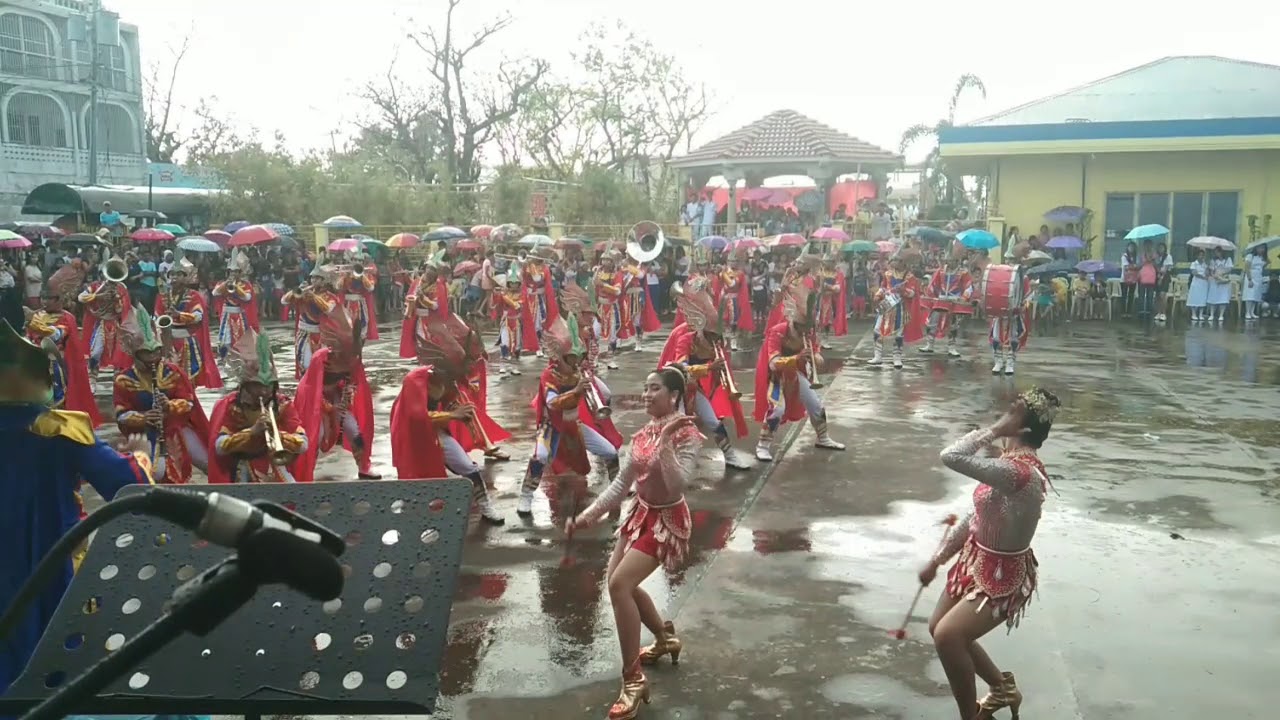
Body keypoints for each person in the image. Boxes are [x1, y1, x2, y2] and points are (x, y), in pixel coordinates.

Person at [0, 319, 152, 696]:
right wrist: (141, 456)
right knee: (56, 647)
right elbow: (125, 483)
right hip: (50, 555)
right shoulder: (61, 430)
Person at [564, 366, 703, 720]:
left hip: (667, 522)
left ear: (674, 395)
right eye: (645, 387)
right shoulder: (642, 435)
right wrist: (585, 518)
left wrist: (667, 441)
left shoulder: (688, 435)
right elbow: (620, 485)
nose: (646, 394)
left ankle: (633, 679)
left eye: (654, 388)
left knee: (619, 585)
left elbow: (676, 485)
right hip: (639, 516)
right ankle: (664, 638)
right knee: (619, 584)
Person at [919, 387, 1061, 720]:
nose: (1004, 414)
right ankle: (1002, 687)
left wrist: (995, 429)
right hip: (976, 559)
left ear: (1022, 427)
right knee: (939, 627)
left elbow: (951, 456)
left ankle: (970, 717)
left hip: (1003, 575)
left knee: (949, 636)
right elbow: (976, 516)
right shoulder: (1009, 464)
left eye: (1013, 412)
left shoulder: (1020, 474)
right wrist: (938, 560)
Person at [390, 316, 504, 524]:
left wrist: (461, 414)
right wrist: (453, 415)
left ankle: (485, 505)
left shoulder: (449, 381)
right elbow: (417, 417)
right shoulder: (415, 379)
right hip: (412, 434)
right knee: (415, 476)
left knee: (469, 468)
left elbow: (450, 403)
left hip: (436, 432)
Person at [516, 314, 623, 517]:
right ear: (559, 357)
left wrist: (591, 398)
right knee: (540, 456)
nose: (577, 362)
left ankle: (615, 491)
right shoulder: (549, 375)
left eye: (579, 358)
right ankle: (526, 495)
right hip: (551, 426)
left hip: (574, 424)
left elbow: (589, 404)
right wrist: (576, 391)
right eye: (572, 358)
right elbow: (552, 403)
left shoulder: (578, 373)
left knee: (610, 451)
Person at [658, 277, 752, 469]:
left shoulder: (716, 342)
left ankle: (730, 455)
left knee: (713, 421)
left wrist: (717, 373)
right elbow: (681, 368)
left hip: (693, 388)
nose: (715, 339)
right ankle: (667, 459)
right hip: (675, 389)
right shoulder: (685, 339)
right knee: (676, 424)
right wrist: (708, 368)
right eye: (711, 334)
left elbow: (713, 376)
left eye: (717, 335)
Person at [752, 274, 845, 461]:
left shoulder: (809, 332)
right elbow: (773, 363)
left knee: (815, 403)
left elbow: (818, 356)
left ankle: (823, 437)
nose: (805, 331)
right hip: (776, 375)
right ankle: (762, 445)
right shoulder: (778, 331)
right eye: (802, 327)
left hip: (795, 373)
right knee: (777, 409)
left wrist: (815, 358)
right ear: (794, 321)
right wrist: (796, 358)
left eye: (807, 327)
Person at [113, 305, 210, 484]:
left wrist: (169, 405)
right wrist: (144, 417)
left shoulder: (172, 372)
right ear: (136, 354)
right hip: (143, 434)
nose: (153, 358)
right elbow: (121, 415)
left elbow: (188, 403)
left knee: (208, 462)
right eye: (147, 354)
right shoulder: (124, 379)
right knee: (154, 473)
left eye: (156, 352)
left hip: (176, 428)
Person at [206, 328, 308, 483]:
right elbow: (220, 447)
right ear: (247, 386)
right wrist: (252, 432)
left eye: (269, 386)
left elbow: (303, 443)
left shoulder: (283, 404)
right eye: (258, 386)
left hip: (276, 462)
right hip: (244, 464)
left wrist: (279, 436)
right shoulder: (233, 406)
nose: (264, 391)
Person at [293, 305, 379, 481]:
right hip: (314, 400)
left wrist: (348, 393)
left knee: (355, 431)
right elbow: (312, 388)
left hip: (335, 396)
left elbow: (354, 381)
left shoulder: (354, 358)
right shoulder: (321, 357)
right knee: (316, 436)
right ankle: (306, 472)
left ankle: (364, 466)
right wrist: (328, 408)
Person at [25, 262, 100, 425]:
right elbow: (28, 337)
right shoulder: (37, 315)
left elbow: (57, 335)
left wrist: (35, 325)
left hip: (56, 365)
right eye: (43, 297)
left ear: (59, 299)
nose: (45, 301)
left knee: (58, 399)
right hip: (35, 363)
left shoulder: (66, 317)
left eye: (49, 298)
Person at [155, 258, 222, 389]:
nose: (174, 278)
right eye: (172, 274)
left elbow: (198, 316)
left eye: (178, 274)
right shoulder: (162, 296)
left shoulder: (194, 296)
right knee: (168, 379)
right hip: (167, 341)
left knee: (188, 380)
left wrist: (179, 315)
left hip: (186, 342)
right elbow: (157, 316)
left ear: (185, 278)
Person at [79, 255, 134, 382]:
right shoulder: (95, 286)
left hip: (116, 323)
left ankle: (116, 376)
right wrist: (97, 296)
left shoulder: (121, 288)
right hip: (100, 323)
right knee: (96, 351)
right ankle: (92, 371)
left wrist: (117, 300)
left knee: (118, 351)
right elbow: (81, 298)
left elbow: (123, 309)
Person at [869, 250, 926, 369]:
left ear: (903, 262)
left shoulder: (910, 277)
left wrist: (903, 290)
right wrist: (878, 295)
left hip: (901, 307)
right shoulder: (888, 274)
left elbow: (912, 293)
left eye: (896, 260)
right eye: (893, 260)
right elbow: (883, 287)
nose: (893, 262)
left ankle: (897, 357)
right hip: (887, 304)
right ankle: (877, 356)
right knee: (877, 329)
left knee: (899, 333)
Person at [283, 265, 339, 377]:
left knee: (322, 363)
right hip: (304, 332)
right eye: (312, 278)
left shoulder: (330, 297)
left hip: (321, 333)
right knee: (304, 362)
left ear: (323, 281)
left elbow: (328, 309)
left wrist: (314, 297)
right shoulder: (304, 293)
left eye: (317, 278)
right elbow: (284, 301)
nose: (313, 280)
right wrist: (296, 290)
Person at [920, 248, 975, 358]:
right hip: (941, 300)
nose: (949, 263)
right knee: (933, 321)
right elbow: (933, 284)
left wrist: (964, 297)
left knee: (953, 324)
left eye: (952, 260)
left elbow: (969, 287)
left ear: (957, 261)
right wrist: (931, 295)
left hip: (954, 300)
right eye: (948, 260)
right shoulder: (941, 271)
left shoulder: (963, 272)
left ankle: (951, 347)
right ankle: (930, 344)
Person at [989, 245, 1034, 376]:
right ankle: (998, 361)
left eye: (1013, 260)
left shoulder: (1023, 277)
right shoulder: (1000, 275)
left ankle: (1010, 363)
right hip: (1000, 313)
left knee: (1013, 338)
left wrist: (1024, 306)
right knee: (996, 337)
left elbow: (1028, 296)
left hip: (1014, 313)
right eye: (1008, 260)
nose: (1010, 262)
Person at [212, 254, 257, 360]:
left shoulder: (245, 284)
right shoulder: (222, 283)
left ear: (239, 273)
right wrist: (225, 285)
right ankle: (224, 358)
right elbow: (215, 293)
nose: (233, 274)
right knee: (225, 338)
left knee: (241, 338)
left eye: (235, 271)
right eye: (231, 271)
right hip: (226, 315)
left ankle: (242, 358)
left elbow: (247, 298)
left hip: (240, 314)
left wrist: (237, 288)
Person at [713, 258, 755, 351]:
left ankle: (733, 341)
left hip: (734, 300)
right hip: (724, 299)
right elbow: (718, 283)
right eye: (731, 261)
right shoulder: (723, 272)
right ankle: (725, 340)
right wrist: (718, 273)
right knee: (724, 321)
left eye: (735, 261)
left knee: (734, 322)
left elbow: (732, 284)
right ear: (727, 262)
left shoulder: (739, 273)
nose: (733, 263)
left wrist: (723, 273)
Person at [492, 271, 527, 374]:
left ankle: (514, 367)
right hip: (506, 321)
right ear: (508, 283)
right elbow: (497, 305)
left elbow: (520, 305)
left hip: (516, 322)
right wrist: (496, 294)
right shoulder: (503, 294)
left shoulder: (521, 295)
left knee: (516, 345)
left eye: (515, 283)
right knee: (505, 343)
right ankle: (503, 366)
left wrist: (508, 299)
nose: (513, 285)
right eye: (511, 283)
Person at [594, 250, 625, 364]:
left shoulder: (617, 274)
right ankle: (594, 358)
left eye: (608, 260)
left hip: (611, 307)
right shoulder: (597, 273)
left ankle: (611, 360)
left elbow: (617, 291)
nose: (605, 262)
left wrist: (603, 285)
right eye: (603, 260)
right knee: (595, 332)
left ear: (613, 262)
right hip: (599, 307)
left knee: (612, 335)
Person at [338, 259, 380, 341]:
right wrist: (344, 277)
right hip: (348, 302)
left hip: (360, 301)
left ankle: (361, 337)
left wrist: (363, 277)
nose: (357, 261)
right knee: (347, 320)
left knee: (363, 320)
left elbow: (371, 288)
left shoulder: (367, 275)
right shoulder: (345, 275)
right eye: (355, 259)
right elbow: (338, 287)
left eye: (359, 260)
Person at [1206, 247, 1233, 323]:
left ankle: (1221, 315)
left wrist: (1222, 273)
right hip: (1215, 280)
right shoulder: (1213, 260)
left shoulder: (1228, 259)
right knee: (1213, 297)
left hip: (1224, 279)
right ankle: (1212, 314)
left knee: (1223, 298)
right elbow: (1211, 271)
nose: (1217, 254)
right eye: (1215, 252)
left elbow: (1230, 269)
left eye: (1218, 252)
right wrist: (1215, 275)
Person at [1243, 244, 1268, 320]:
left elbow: (1263, 266)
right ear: (1256, 248)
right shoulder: (1250, 256)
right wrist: (1250, 279)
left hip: (1258, 277)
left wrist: (1266, 260)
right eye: (1260, 248)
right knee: (1249, 295)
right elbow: (1247, 268)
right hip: (1251, 276)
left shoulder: (1262, 257)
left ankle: (1252, 312)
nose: (1262, 250)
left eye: (1263, 248)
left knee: (1256, 296)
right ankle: (1247, 312)